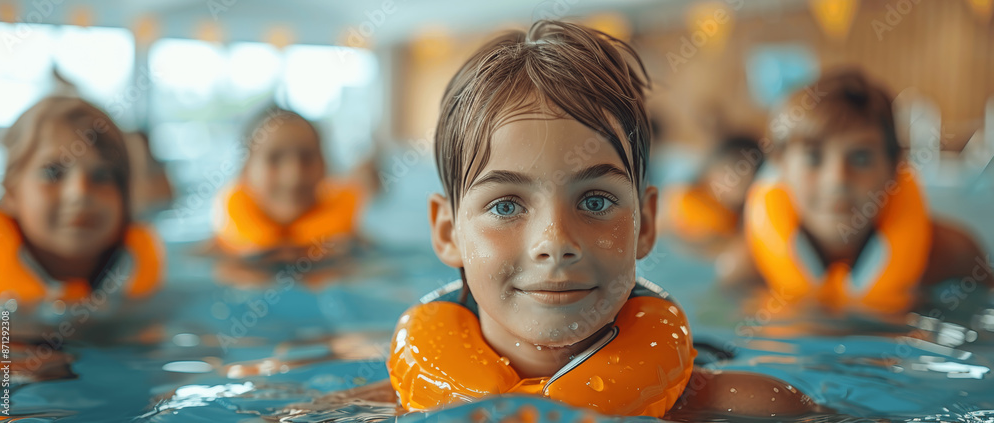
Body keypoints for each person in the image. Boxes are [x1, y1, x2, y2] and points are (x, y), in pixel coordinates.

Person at [385, 20, 823, 418]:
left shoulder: (754, 410)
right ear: (447, 232)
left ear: (646, 224)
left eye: (594, 201)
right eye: (506, 205)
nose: (555, 241)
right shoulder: (381, 410)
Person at [730, 69, 992, 315]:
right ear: (781, 167)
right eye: (813, 158)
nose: (837, 180)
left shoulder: (953, 256)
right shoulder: (744, 271)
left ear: (894, 168)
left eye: (861, 158)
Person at [0, 97, 164, 313]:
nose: (80, 193)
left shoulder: (137, 272)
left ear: (125, 197)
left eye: (102, 175)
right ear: (10, 193)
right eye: (53, 172)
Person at [212, 106, 370, 262]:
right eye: (274, 158)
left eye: (307, 157)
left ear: (325, 166)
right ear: (246, 170)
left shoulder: (356, 246)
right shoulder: (217, 253)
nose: (294, 176)